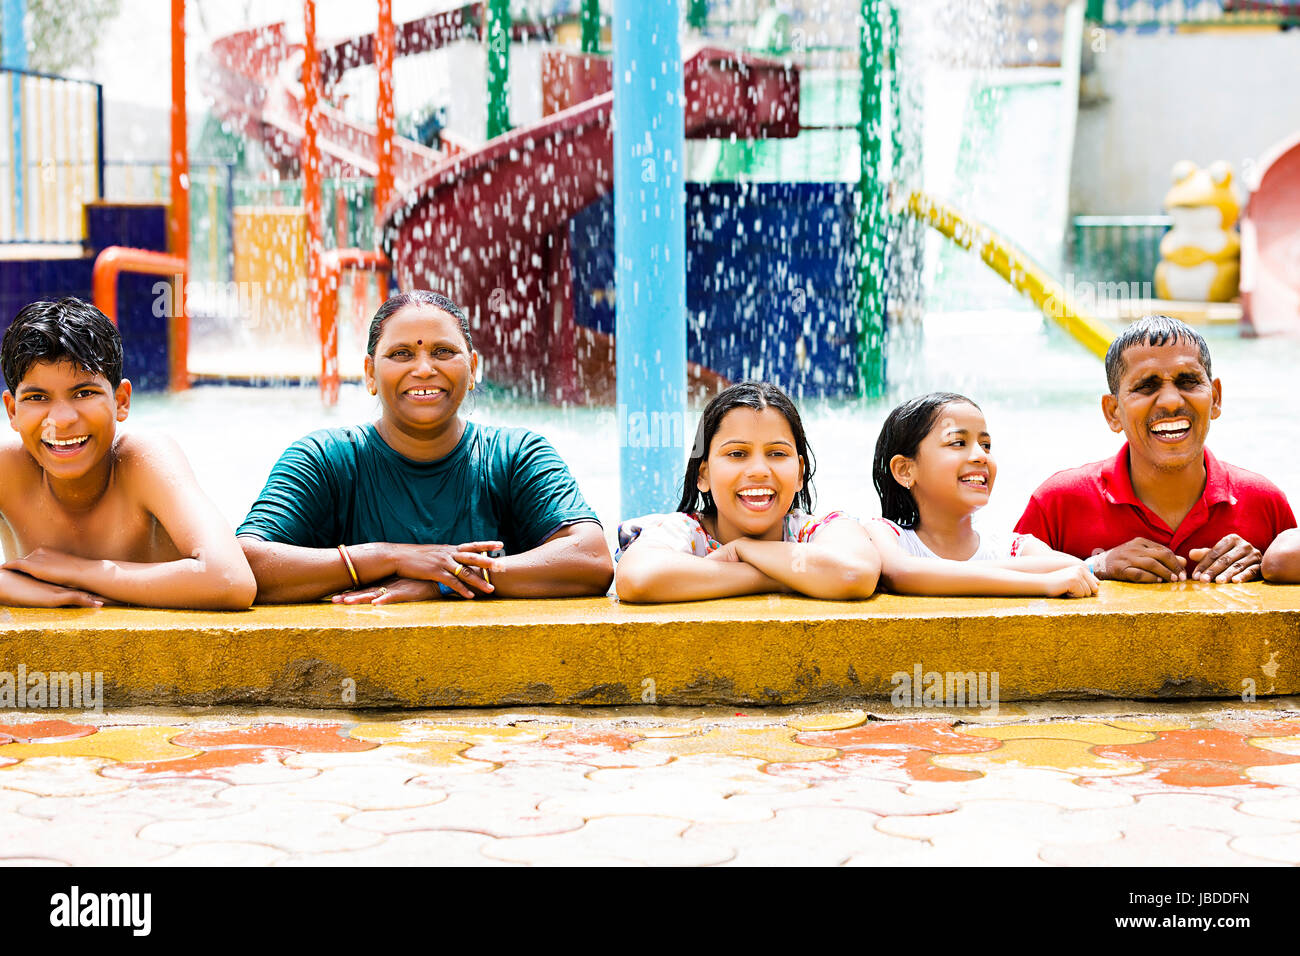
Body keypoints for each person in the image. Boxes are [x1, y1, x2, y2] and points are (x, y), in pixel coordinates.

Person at [238, 290, 613, 604]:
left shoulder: (515, 455)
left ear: (473, 369)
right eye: (401, 354)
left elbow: (591, 559)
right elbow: (244, 565)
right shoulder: (324, 459)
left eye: (443, 352)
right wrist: (391, 557)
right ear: (369, 373)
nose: (423, 369)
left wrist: (441, 582)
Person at [0, 297, 256, 609]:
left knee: (247, 559)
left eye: (84, 393)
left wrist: (77, 571)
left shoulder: (142, 459)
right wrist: (12, 586)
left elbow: (231, 579)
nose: (61, 419)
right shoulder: (8, 467)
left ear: (121, 401)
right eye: (38, 397)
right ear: (12, 411)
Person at [1015, 314, 1295, 583]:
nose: (1171, 401)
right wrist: (1096, 565)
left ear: (1216, 398)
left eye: (1188, 381)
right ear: (1113, 412)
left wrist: (1264, 567)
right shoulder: (1059, 504)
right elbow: (1000, 586)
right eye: (1147, 386)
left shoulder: (1263, 503)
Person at [614, 381, 879, 603]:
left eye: (777, 453)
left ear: (799, 473)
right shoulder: (684, 532)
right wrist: (782, 576)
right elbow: (636, 578)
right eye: (737, 454)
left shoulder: (817, 529)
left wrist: (743, 548)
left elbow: (854, 573)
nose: (759, 470)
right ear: (703, 474)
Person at [864, 392, 1098, 597]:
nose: (981, 456)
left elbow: (1071, 566)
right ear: (905, 470)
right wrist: (1041, 582)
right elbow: (902, 572)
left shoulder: (1013, 547)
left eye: (986, 445)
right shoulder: (887, 534)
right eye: (957, 443)